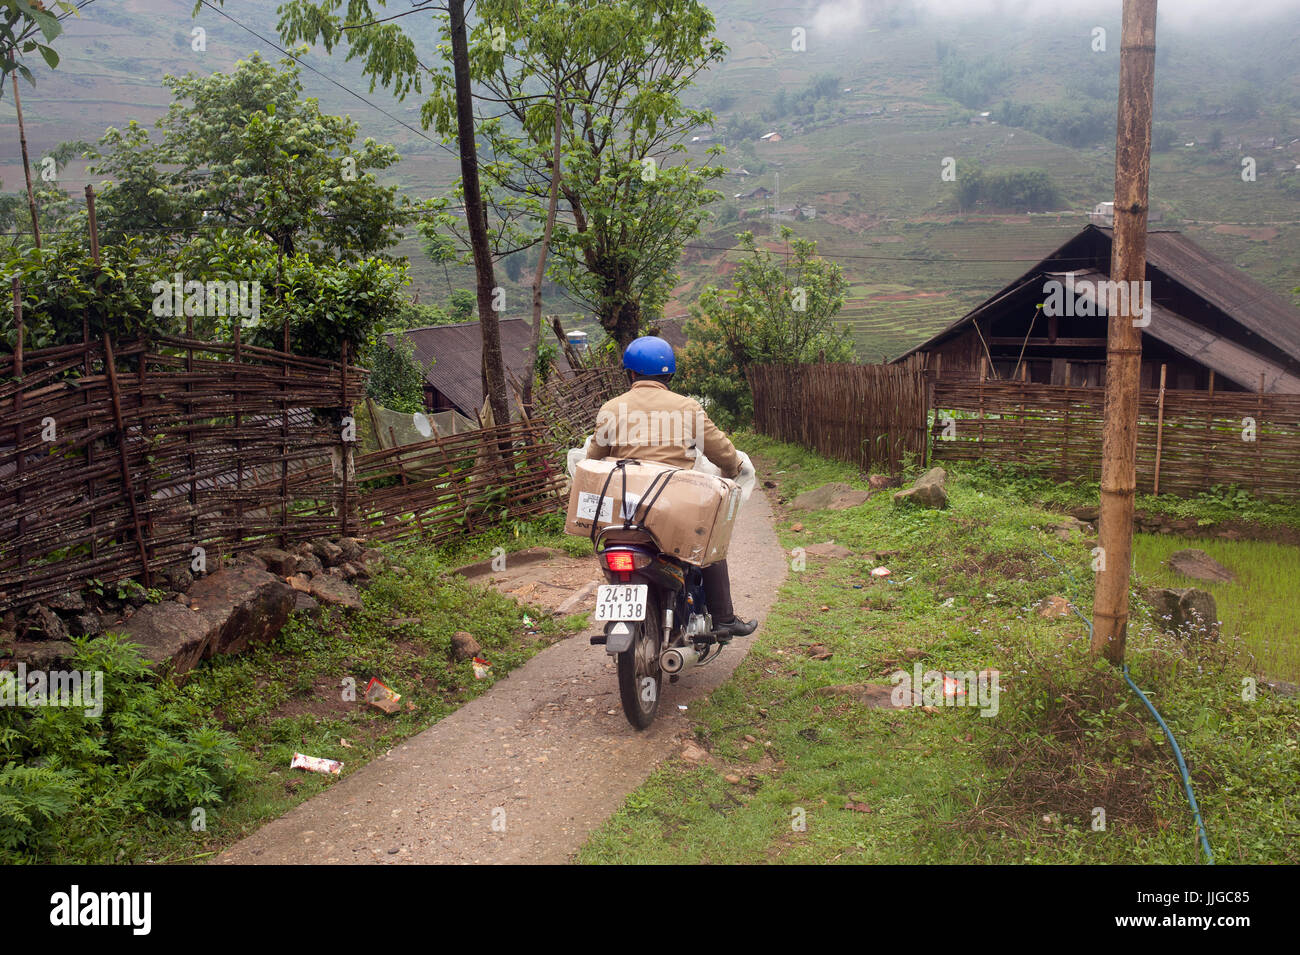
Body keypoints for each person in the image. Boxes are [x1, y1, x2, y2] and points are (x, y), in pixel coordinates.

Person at [586, 335, 758, 639]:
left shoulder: (611, 409)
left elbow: (594, 460)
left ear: (631, 374)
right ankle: (724, 618)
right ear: (669, 375)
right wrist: (731, 471)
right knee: (708, 546)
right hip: (674, 512)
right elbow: (722, 453)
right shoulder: (687, 408)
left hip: (624, 515)